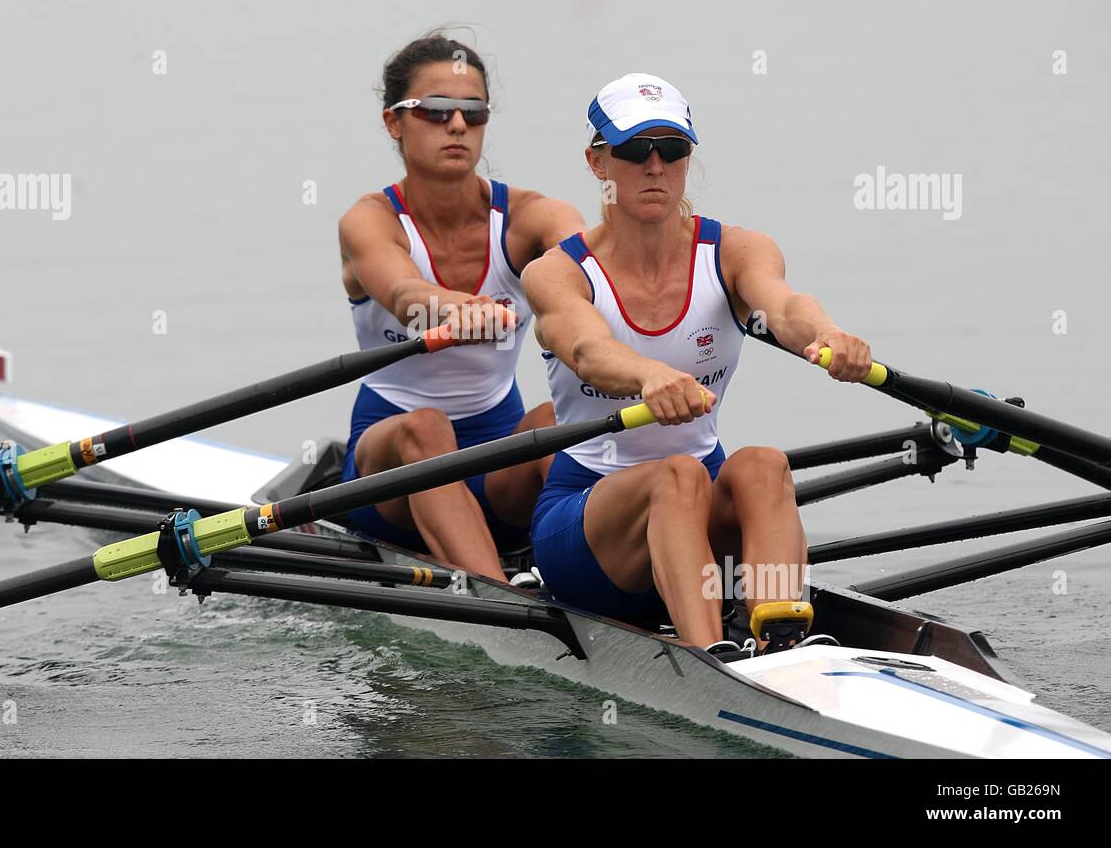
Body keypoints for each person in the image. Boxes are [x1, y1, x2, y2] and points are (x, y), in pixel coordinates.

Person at [522, 72, 873, 651]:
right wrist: (648, 374)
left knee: (762, 463)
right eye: (635, 150)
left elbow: (785, 307)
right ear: (597, 162)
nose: (655, 166)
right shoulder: (557, 272)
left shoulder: (736, 250)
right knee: (676, 474)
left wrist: (828, 334)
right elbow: (586, 350)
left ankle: (781, 637)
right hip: (589, 529)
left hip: (699, 520)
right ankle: (714, 658)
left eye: (672, 149)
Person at [338, 34, 584, 579]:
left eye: (473, 113)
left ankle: (613, 579)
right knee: (424, 427)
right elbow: (404, 295)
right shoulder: (369, 221)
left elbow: (592, 264)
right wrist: (452, 308)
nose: (456, 126)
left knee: (556, 422)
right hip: (388, 476)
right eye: (435, 110)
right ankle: (501, 598)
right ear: (393, 122)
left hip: (494, 464)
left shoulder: (531, 217)